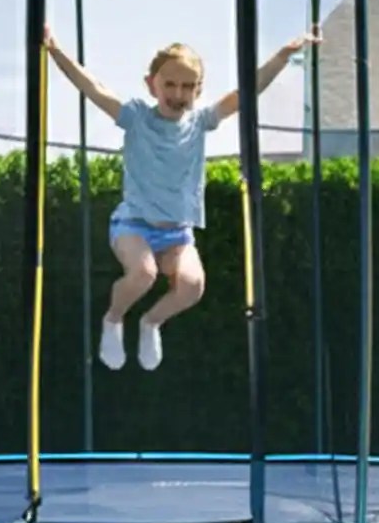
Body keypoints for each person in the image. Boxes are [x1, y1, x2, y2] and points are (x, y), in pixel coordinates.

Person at [44, 24, 321, 370]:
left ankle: (150, 323)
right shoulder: (136, 117)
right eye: (170, 84)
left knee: (192, 285)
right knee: (143, 273)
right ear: (152, 85)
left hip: (177, 232)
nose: (178, 93)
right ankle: (113, 320)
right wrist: (55, 51)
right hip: (134, 224)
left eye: (187, 86)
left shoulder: (200, 121)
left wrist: (283, 56)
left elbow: (246, 92)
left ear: (198, 89)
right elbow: (94, 88)